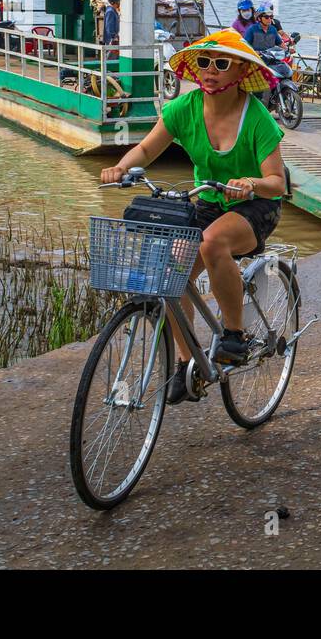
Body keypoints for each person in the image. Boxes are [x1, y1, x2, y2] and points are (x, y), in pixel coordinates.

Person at [100, 29, 286, 404]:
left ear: (240, 74)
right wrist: (120, 168)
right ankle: (187, 365)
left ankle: (234, 334)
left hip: (255, 204)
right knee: (170, 273)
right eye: (203, 62)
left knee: (214, 242)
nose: (211, 70)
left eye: (221, 63)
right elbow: (147, 148)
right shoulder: (183, 109)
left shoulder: (257, 119)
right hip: (209, 200)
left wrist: (250, 183)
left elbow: (277, 182)